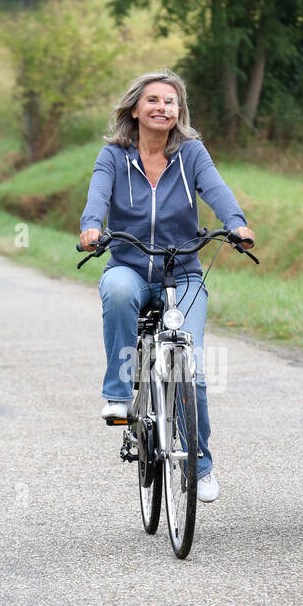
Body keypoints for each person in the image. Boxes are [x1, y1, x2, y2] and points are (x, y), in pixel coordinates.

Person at [79, 70, 255, 503]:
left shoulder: (191, 153)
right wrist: (90, 228)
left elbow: (217, 190)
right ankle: (119, 395)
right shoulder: (114, 157)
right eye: (153, 100)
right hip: (129, 265)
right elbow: (97, 197)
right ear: (135, 108)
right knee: (117, 292)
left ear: (180, 111)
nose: (162, 108)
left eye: (170, 101)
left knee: (187, 364)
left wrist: (236, 224)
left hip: (184, 272)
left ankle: (200, 464)